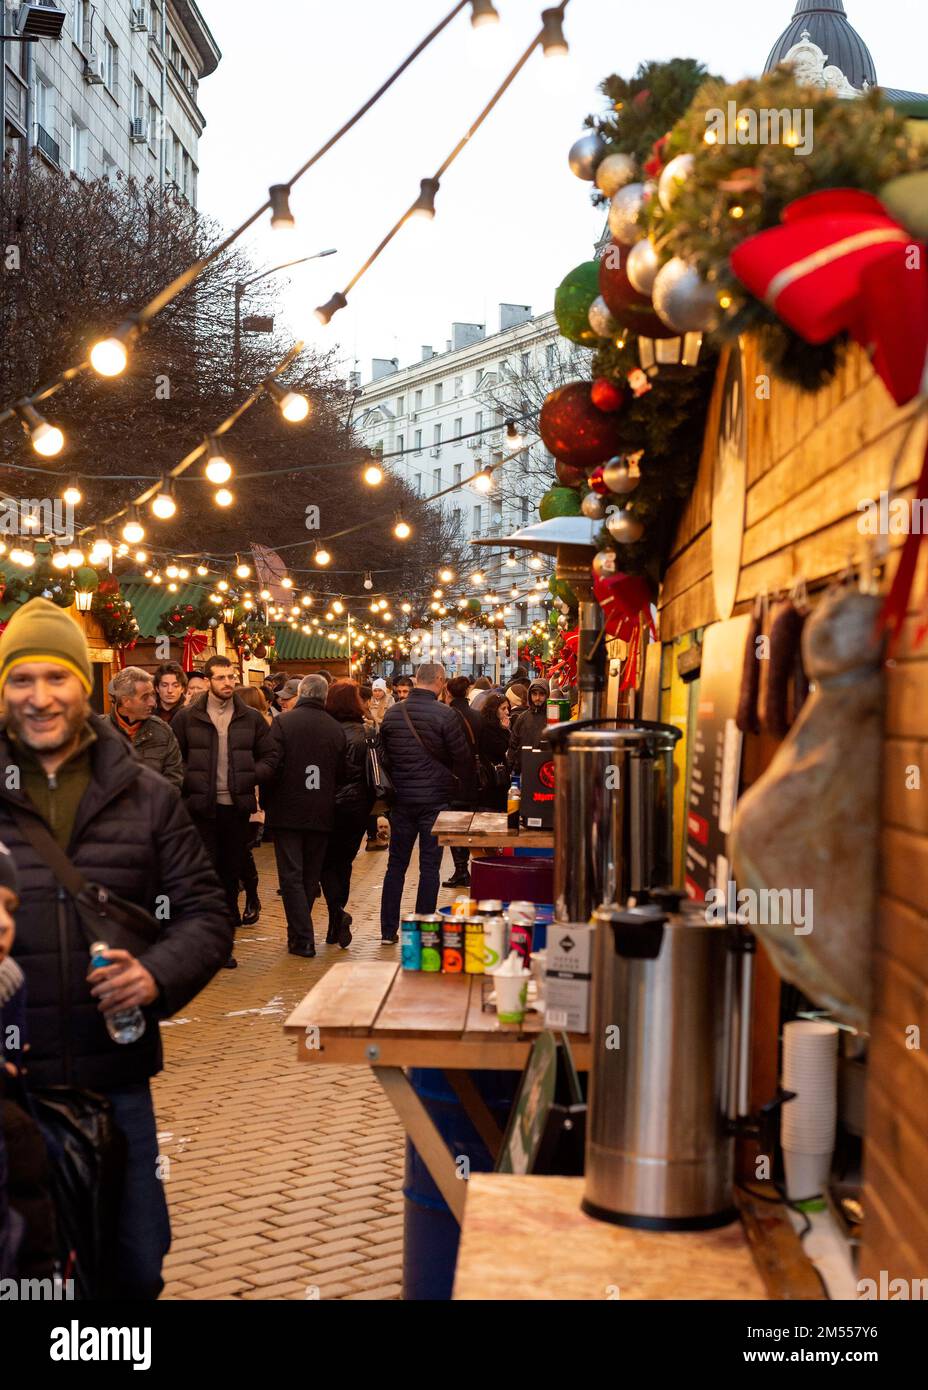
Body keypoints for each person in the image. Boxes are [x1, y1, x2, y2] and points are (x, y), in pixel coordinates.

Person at [0, 598, 230, 1299]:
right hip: (6, 1093)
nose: (39, 698)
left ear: (84, 685)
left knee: (132, 1269)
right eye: (20, 680)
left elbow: (205, 915)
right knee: (24, 1277)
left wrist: (155, 975)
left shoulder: (146, 796)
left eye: (57, 678)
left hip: (114, 1080)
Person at [171, 654, 278, 965]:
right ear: (208, 681)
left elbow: (271, 758)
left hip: (236, 808)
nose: (228, 683)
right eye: (220, 678)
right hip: (200, 807)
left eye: (231, 677)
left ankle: (224, 945)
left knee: (230, 875)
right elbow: (175, 759)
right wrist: (190, 783)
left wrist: (249, 777)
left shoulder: (250, 718)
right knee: (206, 873)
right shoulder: (188, 717)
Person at [379, 663, 472, 944]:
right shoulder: (446, 715)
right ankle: (422, 931)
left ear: (416, 680)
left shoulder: (393, 714)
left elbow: (384, 757)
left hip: (402, 801)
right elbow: (463, 758)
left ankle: (387, 931)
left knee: (396, 865)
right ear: (441, 681)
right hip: (435, 801)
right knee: (429, 867)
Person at [264, 675, 346, 957]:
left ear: (300, 694)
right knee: (310, 876)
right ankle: (299, 933)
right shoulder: (335, 728)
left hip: (287, 812)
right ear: (324, 697)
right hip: (322, 812)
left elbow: (272, 765)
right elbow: (342, 773)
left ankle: (302, 938)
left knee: (291, 876)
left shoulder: (284, 723)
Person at [320, 680, 376, 947]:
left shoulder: (325, 731)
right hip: (358, 807)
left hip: (328, 804)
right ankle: (335, 920)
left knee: (326, 864)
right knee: (344, 863)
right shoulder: (366, 731)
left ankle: (336, 915)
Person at [107, 667, 184, 790]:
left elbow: (174, 780)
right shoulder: (97, 731)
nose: (152, 702)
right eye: (145, 697)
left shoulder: (163, 732)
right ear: (126, 701)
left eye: (153, 695)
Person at [234, 686, 272, 925]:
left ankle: (251, 896)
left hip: (251, 799)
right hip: (228, 799)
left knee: (241, 851)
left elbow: (268, 763)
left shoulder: (262, 727)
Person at [442, 675, 481, 888]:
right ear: (467, 692)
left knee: (454, 826)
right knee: (467, 826)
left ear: (448, 692)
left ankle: (460, 870)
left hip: (452, 778)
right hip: (472, 779)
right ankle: (463, 869)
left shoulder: (446, 716)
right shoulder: (478, 716)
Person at [477, 694, 512, 812]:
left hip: (497, 778)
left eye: (508, 708)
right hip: (491, 779)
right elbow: (499, 748)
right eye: (503, 708)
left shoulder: (494, 725)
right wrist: (505, 731)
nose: (507, 712)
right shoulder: (488, 727)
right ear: (494, 710)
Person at [509, 678, 549, 773]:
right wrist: (511, 768)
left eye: (541, 694)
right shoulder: (522, 718)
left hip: (545, 770)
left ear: (547, 695)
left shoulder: (552, 719)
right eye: (534, 694)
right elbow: (513, 745)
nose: (537, 698)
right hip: (523, 769)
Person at [153, 661, 187, 726]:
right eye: (164, 685)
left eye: (175, 686)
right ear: (157, 688)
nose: (170, 690)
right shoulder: (148, 712)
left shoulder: (189, 714)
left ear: (182, 689)